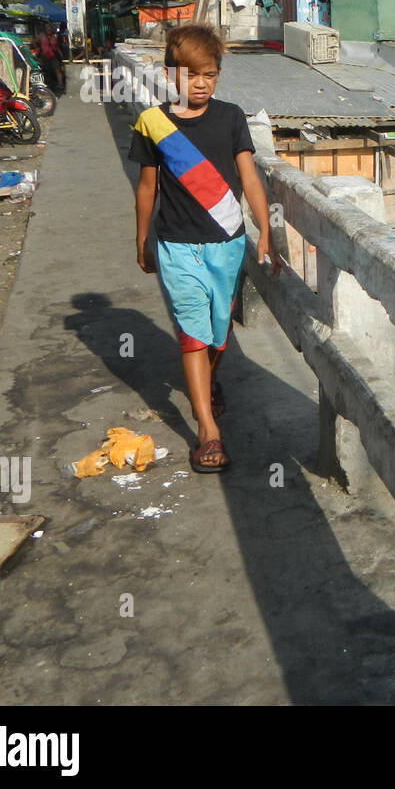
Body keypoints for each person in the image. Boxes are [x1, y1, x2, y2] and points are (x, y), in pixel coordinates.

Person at [129, 24, 281, 473]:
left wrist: (266, 230)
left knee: (216, 334)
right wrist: (142, 239)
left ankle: (208, 386)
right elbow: (146, 188)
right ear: (169, 73)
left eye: (210, 75)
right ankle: (207, 430)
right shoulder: (152, 124)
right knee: (193, 334)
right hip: (177, 245)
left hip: (226, 245)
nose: (200, 83)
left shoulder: (232, 118)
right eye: (191, 74)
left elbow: (249, 177)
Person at [35, 22, 64, 93]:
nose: (49, 29)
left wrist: (61, 55)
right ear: (45, 29)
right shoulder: (41, 36)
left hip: (53, 55)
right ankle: (46, 85)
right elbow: (34, 42)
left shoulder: (54, 36)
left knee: (57, 69)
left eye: (50, 27)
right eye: (47, 27)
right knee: (46, 71)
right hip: (44, 56)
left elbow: (57, 47)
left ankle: (60, 84)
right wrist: (38, 49)